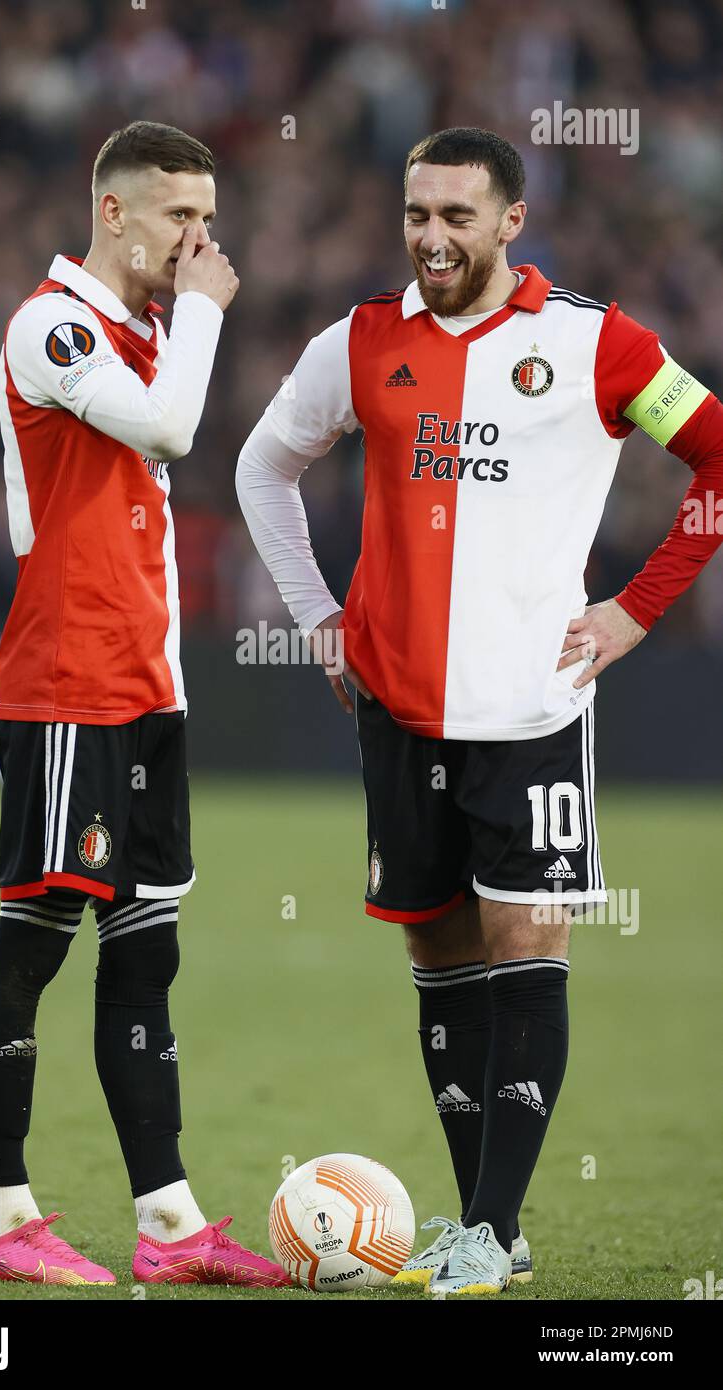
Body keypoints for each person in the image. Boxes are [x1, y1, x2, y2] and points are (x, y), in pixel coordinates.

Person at [236, 126, 723, 1295]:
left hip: (531, 709)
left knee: (526, 952)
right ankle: (479, 1225)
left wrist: (634, 610)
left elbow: (716, 458)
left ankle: (491, 1230)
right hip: (397, 711)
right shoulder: (358, 339)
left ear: (512, 220)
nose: (432, 237)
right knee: (439, 956)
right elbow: (263, 467)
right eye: (416, 214)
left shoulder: (596, 343)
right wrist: (314, 617)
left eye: (458, 216)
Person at [0, 120, 286, 1288]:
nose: (199, 240)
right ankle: (6, 1217)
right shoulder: (52, 325)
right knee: (36, 939)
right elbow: (172, 427)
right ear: (113, 212)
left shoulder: (139, 331)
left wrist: (181, 312)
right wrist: (202, 307)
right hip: (66, 684)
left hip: (148, 687)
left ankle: (169, 1227)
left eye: (208, 218)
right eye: (177, 217)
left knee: (144, 958)